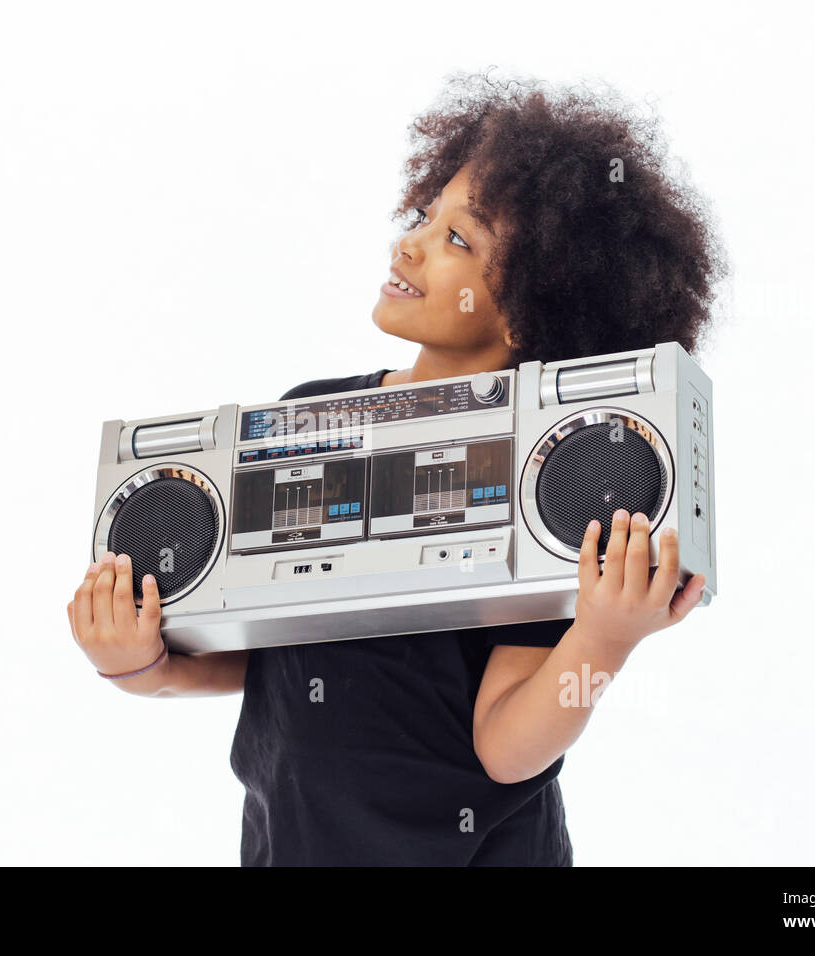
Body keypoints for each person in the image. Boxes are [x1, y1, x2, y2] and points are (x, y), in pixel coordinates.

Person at [66, 71, 726, 865]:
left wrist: (604, 638)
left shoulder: (551, 483)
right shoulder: (308, 413)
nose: (408, 242)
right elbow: (273, 661)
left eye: (459, 239)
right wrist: (143, 666)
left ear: (527, 306)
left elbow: (506, 748)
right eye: (425, 214)